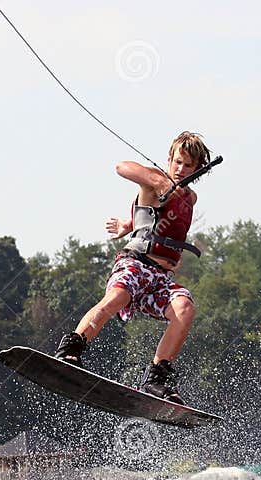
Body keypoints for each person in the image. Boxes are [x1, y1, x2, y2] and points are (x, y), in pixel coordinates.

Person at [54, 131, 211, 405]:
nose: (180, 169)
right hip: (135, 264)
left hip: (160, 279)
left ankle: (156, 378)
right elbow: (122, 167)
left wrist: (129, 224)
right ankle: (72, 348)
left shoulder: (191, 198)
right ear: (169, 159)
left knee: (185, 308)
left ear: (197, 168)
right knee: (118, 296)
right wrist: (158, 181)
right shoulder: (155, 180)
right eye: (177, 162)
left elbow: (155, 216)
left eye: (188, 165)